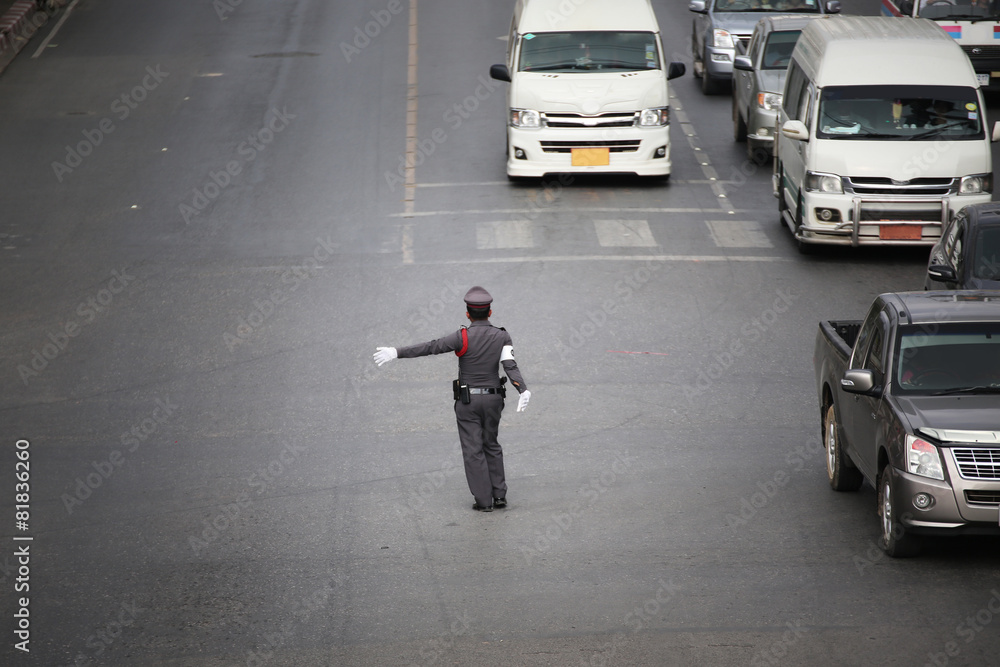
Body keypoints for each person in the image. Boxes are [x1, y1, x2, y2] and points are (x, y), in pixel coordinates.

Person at [372, 286, 531, 513]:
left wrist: (396, 352)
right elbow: (510, 366)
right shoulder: (502, 335)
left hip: (468, 402)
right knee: (492, 444)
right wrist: (522, 390)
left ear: (468, 313)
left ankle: (484, 502)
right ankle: (499, 495)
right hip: (494, 400)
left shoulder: (462, 337)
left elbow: (430, 347)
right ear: (490, 312)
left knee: (473, 449)